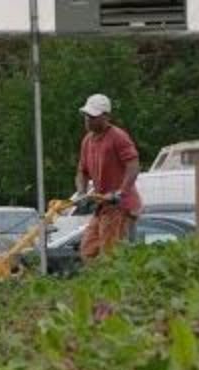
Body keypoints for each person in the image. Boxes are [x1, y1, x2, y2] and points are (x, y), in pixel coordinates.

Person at [75, 93, 142, 261]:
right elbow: (81, 172)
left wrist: (121, 192)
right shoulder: (87, 141)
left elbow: (133, 166)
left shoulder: (118, 137)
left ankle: (114, 285)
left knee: (111, 255)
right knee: (88, 250)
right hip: (102, 205)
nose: (88, 120)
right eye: (86, 116)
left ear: (106, 117)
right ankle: (98, 284)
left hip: (120, 206)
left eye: (93, 116)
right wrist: (82, 192)